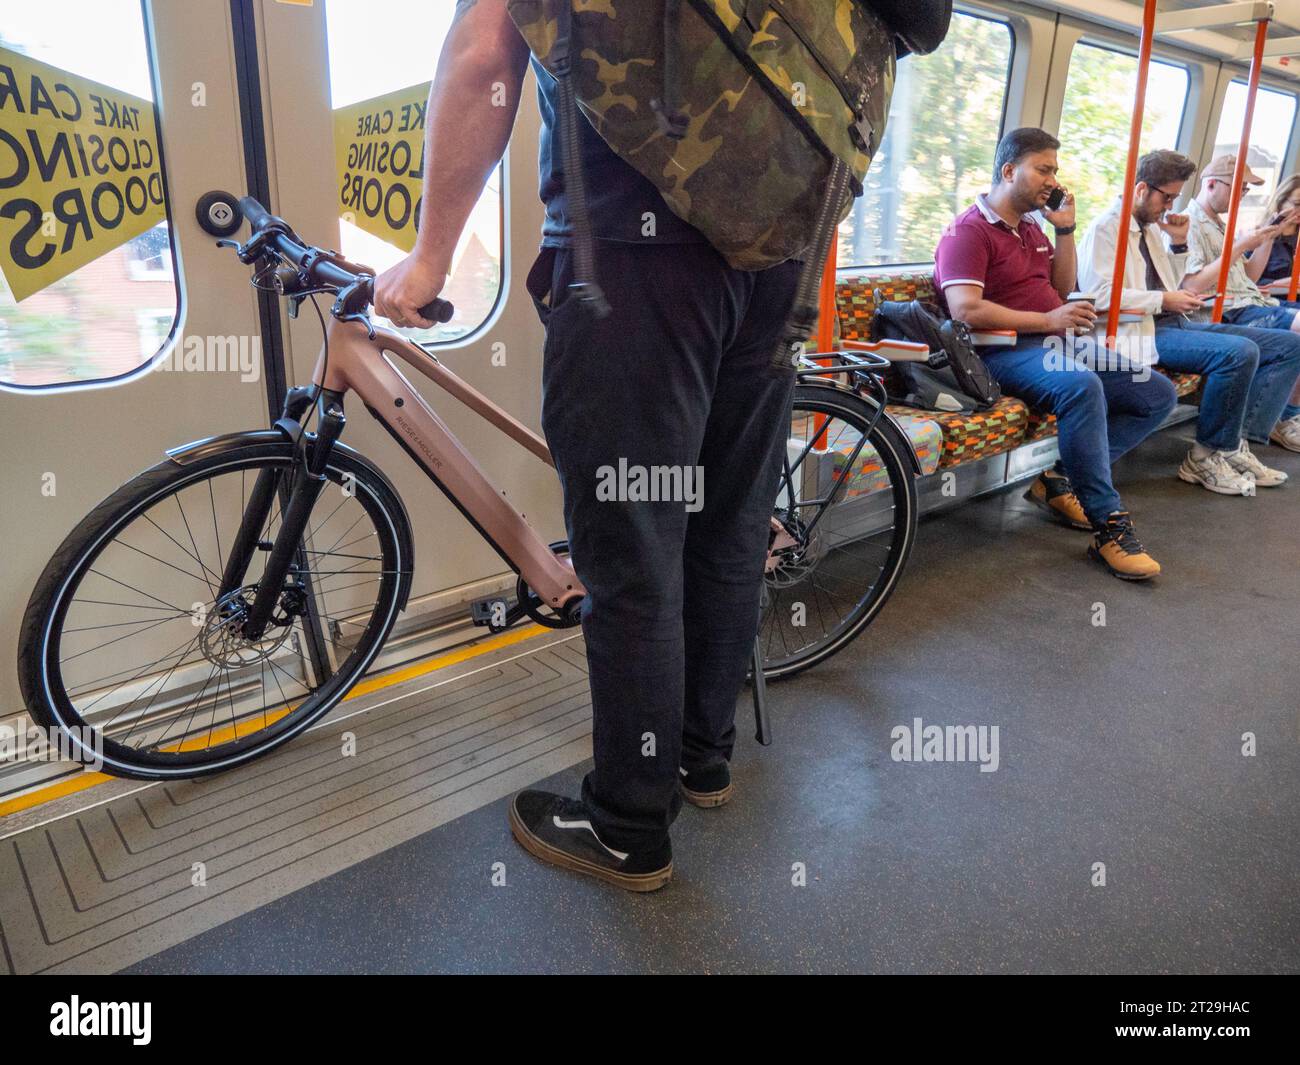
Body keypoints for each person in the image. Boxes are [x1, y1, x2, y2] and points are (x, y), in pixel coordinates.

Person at [374, 0, 808, 891]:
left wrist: (427, 260)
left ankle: (626, 825)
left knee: (634, 547)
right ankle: (700, 757)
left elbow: (485, 55)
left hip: (634, 255)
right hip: (781, 256)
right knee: (726, 526)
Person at [935, 128, 1177, 581]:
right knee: (1080, 386)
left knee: (1155, 392)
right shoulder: (967, 231)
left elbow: (1060, 289)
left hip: (1052, 343)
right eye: (1043, 169)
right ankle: (1108, 525)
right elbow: (965, 310)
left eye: (1055, 171)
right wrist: (1049, 322)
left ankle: (1061, 480)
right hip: (999, 351)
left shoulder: (1032, 228)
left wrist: (1064, 230)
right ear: (1009, 171)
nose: (1052, 180)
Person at [1076, 150, 1299, 493]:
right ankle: (1207, 454)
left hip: (1167, 321)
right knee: (1238, 352)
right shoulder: (1107, 228)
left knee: (1288, 344)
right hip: (1139, 330)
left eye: (1174, 198)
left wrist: (1178, 247)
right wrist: (1163, 300)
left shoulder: (1149, 229)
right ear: (1140, 189)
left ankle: (1234, 443)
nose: (1168, 206)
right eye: (1165, 197)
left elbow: (1170, 284)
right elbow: (1099, 295)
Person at [1182, 156, 1300, 452]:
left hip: (1250, 302)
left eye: (1246, 190)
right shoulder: (1189, 224)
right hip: (1225, 311)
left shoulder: (1220, 226)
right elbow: (1193, 285)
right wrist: (1242, 245)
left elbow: (1249, 275)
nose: (1244, 195)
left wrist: (1267, 239)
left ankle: (1279, 419)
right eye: (1240, 189)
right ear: (1211, 184)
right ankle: (1254, 433)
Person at [1253, 173, 1300, 288]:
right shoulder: (1258, 237)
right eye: (1297, 204)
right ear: (1280, 201)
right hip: (1273, 300)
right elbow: (1244, 282)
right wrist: (1275, 285)